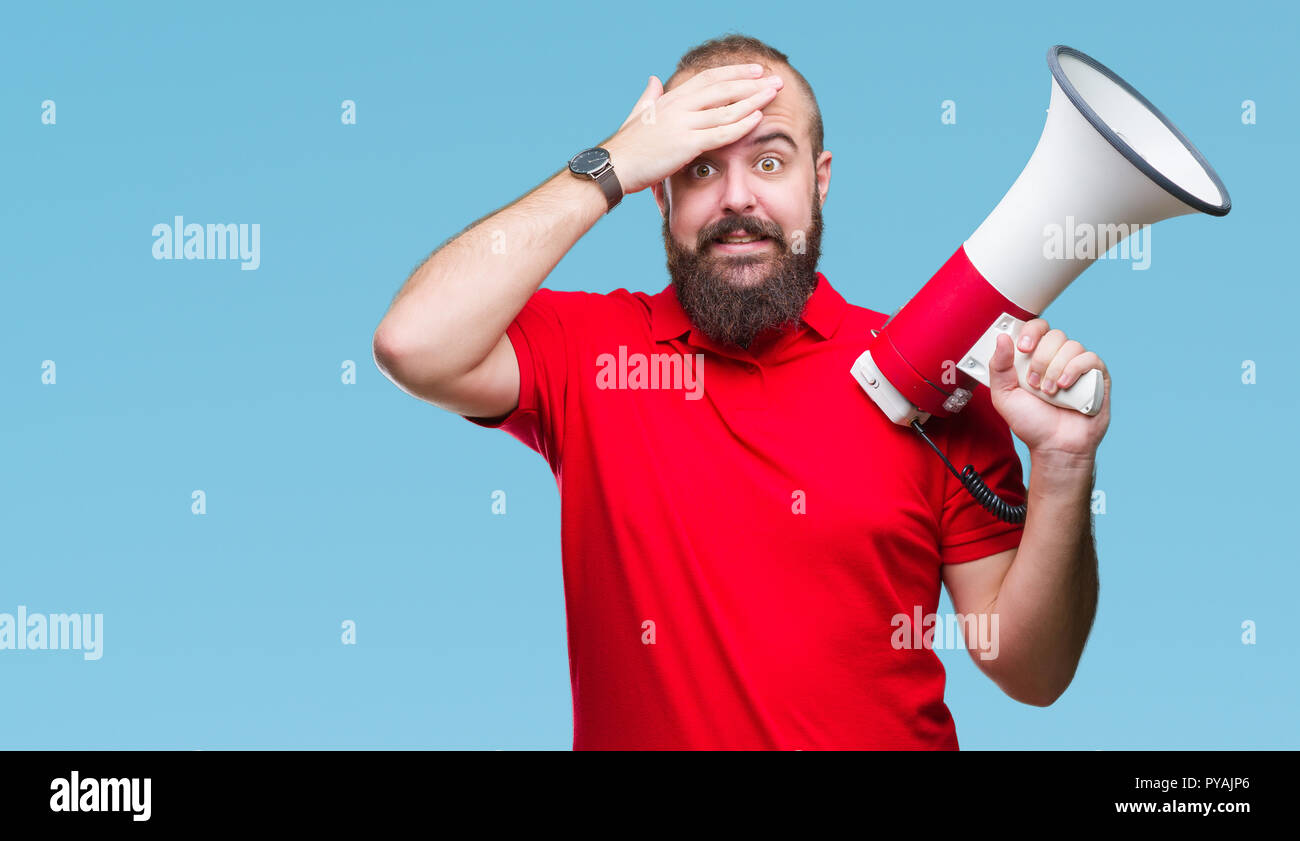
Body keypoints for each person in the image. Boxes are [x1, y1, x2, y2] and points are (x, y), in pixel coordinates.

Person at [373, 34, 1110, 749]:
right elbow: (413, 342)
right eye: (697, 168)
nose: (736, 198)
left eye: (768, 160)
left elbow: (1033, 672)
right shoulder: (591, 351)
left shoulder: (928, 374)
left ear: (819, 179)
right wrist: (613, 163)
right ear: (658, 191)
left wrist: (1065, 464)